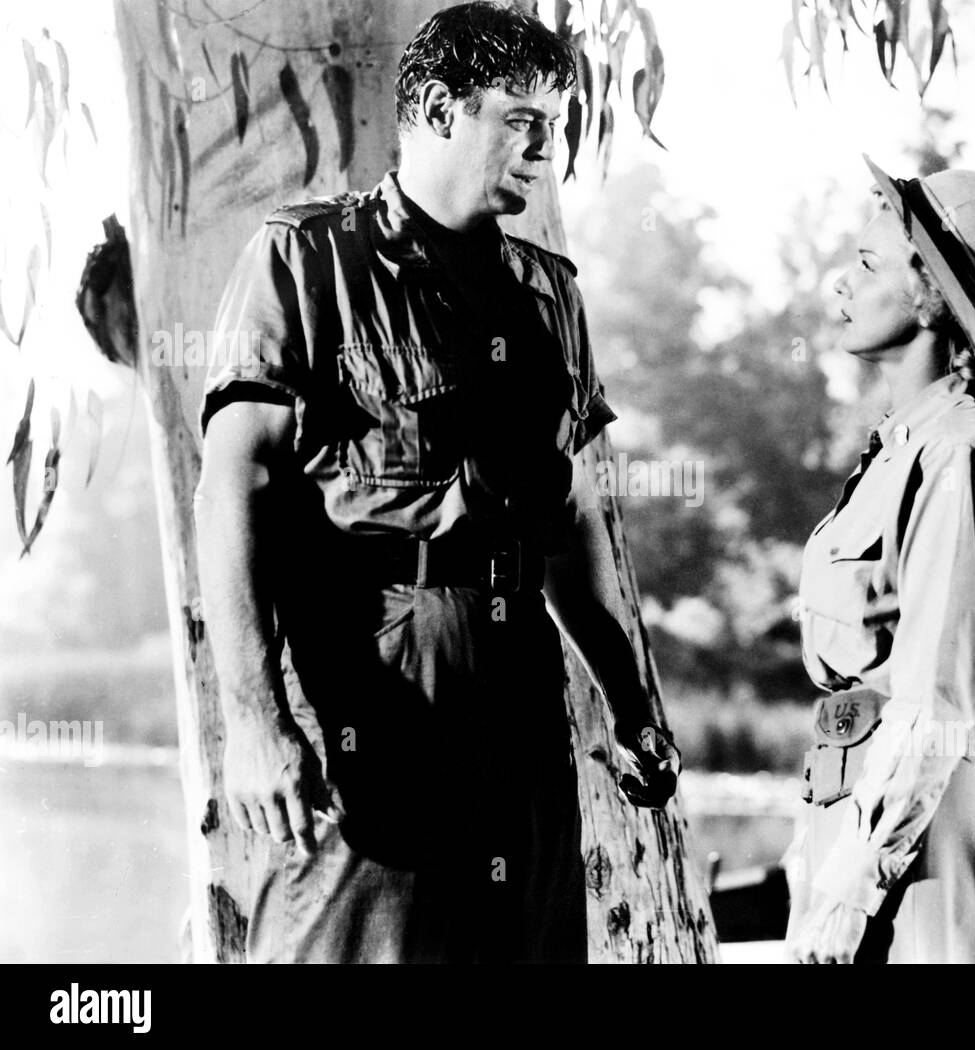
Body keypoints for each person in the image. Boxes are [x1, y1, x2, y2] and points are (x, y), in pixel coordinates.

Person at [193, 1, 679, 964]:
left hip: (520, 704)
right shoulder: (306, 259)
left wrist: (632, 700)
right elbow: (232, 488)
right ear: (440, 109)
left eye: (560, 120)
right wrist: (254, 724)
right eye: (523, 120)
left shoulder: (551, 293)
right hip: (369, 693)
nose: (549, 147)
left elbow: (571, 518)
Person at [784, 156, 975, 964]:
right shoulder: (902, 449)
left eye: (867, 264)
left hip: (908, 848)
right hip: (852, 813)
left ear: (931, 294)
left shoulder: (959, 456)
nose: (840, 282)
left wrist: (854, 883)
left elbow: (934, 700)